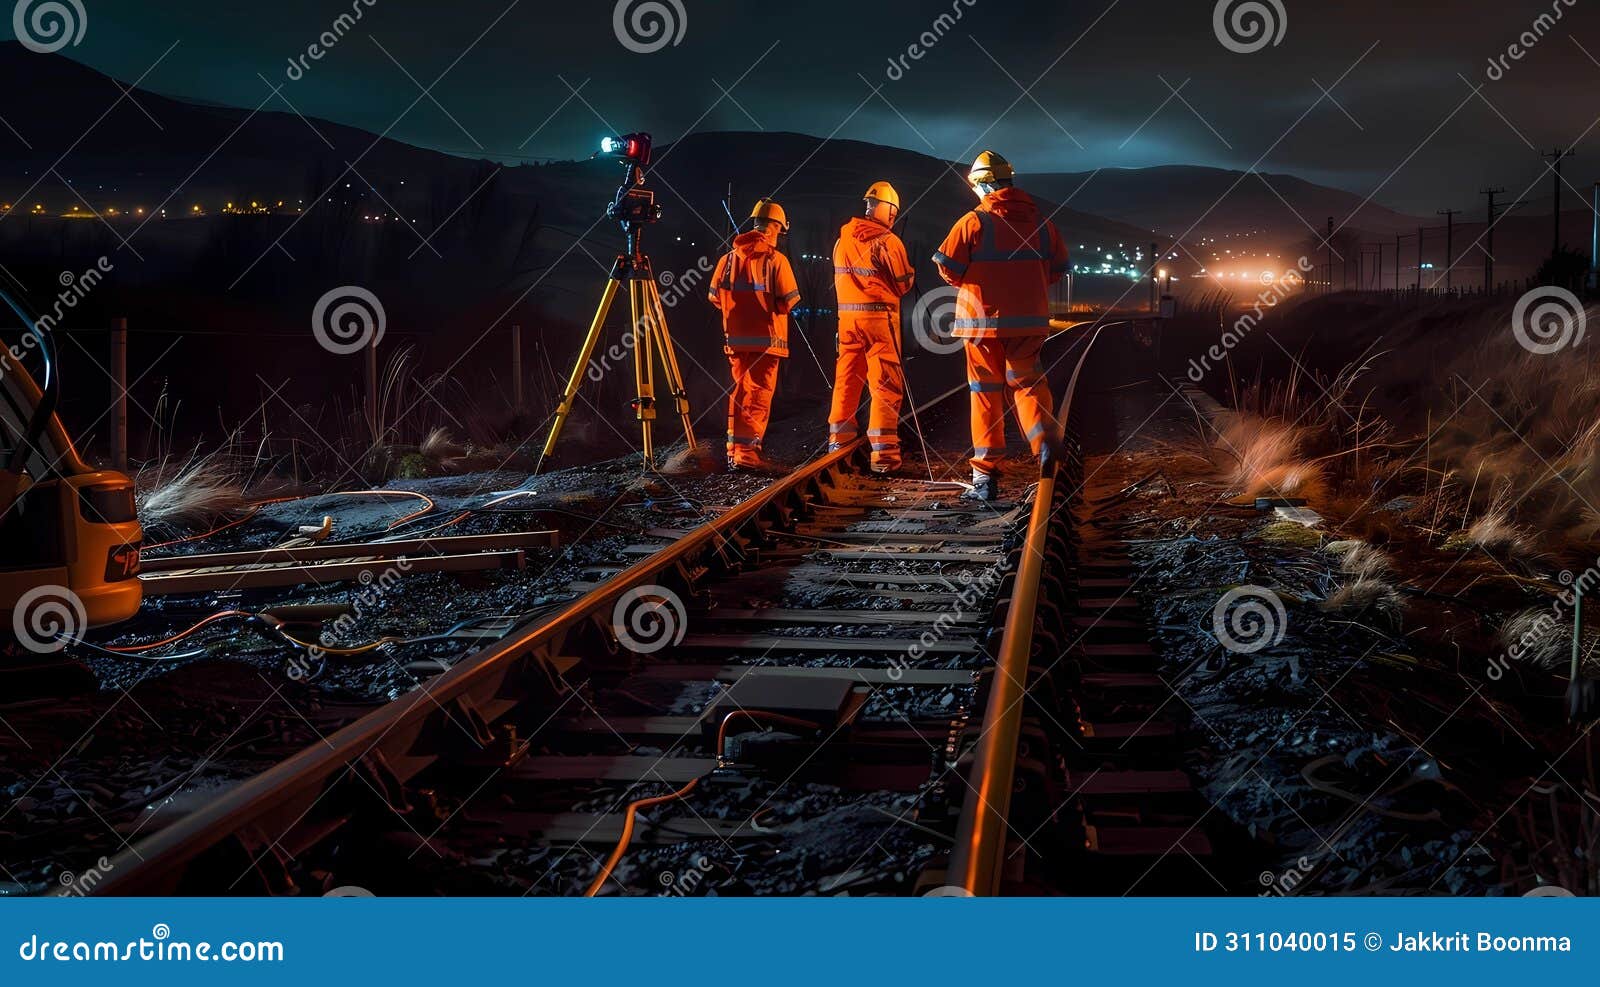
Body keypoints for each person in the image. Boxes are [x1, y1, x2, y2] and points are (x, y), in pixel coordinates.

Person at [932, 151, 1070, 501]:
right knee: (1027, 385)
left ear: (984, 185)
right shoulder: (1044, 224)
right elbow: (1058, 268)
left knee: (985, 395)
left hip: (981, 326)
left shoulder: (973, 222)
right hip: (1029, 324)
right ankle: (1044, 445)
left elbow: (948, 267)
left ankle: (986, 477)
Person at [828, 181, 915, 473]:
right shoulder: (888, 242)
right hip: (879, 321)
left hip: (847, 321)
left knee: (847, 378)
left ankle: (838, 443)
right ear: (889, 211)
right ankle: (885, 456)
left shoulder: (842, 239)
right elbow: (903, 285)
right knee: (885, 384)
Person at [708, 199, 800, 471]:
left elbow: (714, 297)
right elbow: (788, 301)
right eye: (780, 231)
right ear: (774, 228)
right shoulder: (776, 260)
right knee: (757, 396)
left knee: (740, 392)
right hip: (768, 342)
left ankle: (734, 450)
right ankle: (747, 455)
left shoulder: (726, 261)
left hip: (735, 341)